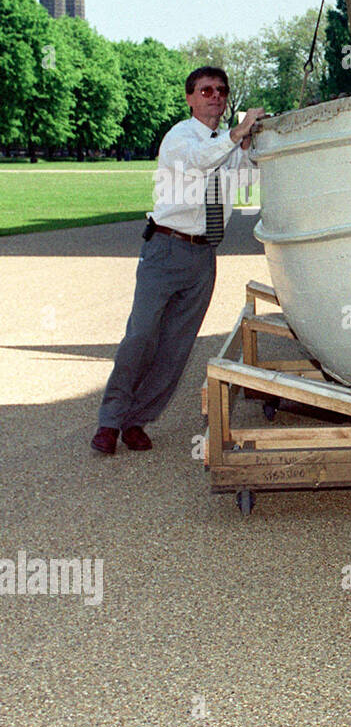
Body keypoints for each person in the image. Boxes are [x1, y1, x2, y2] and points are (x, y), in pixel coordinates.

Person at [92, 68, 264, 455]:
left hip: (204, 255)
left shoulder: (227, 143)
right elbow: (201, 161)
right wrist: (238, 135)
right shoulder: (181, 137)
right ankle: (109, 420)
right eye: (205, 90)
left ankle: (136, 420)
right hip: (165, 248)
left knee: (175, 349)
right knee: (141, 336)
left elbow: (249, 174)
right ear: (190, 98)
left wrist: (254, 140)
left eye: (221, 90)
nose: (214, 97)